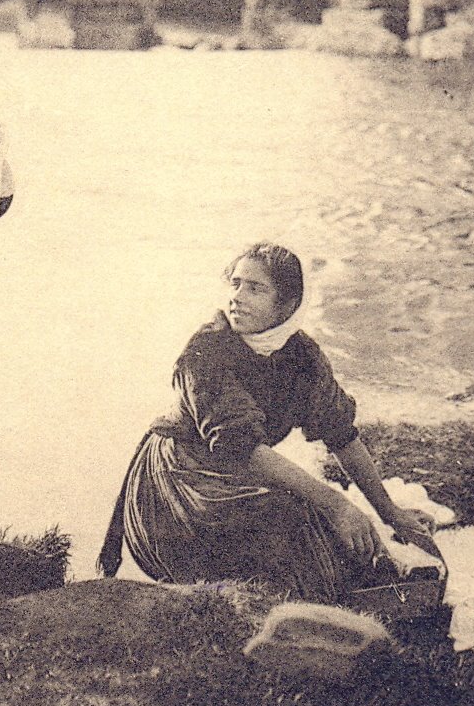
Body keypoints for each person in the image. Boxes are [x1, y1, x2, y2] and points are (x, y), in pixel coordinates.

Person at [98, 243, 434, 602]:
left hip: (235, 477)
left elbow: (342, 437)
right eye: (236, 284)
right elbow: (242, 449)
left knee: (315, 520)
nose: (237, 297)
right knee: (291, 515)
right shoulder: (206, 350)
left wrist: (390, 512)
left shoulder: (302, 355)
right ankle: (290, 606)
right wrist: (337, 504)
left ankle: (369, 593)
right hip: (176, 486)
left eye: (255, 288)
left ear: (287, 305)